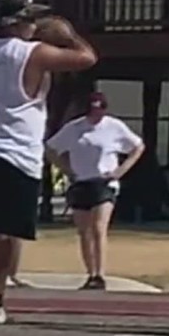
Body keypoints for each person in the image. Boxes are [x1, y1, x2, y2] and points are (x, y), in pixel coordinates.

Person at [0, 0, 97, 325]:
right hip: (16, 149)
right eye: (29, 20)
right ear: (17, 24)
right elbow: (86, 58)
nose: (33, 26)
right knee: (5, 229)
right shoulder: (32, 53)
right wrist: (67, 34)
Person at [45, 91, 145, 290]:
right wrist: (66, 170)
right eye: (93, 110)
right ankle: (90, 273)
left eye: (100, 109)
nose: (96, 114)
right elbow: (51, 148)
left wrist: (120, 171)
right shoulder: (74, 128)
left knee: (99, 228)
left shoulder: (113, 126)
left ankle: (100, 273)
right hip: (80, 181)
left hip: (104, 182)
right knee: (84, 231)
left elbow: (137, 146)